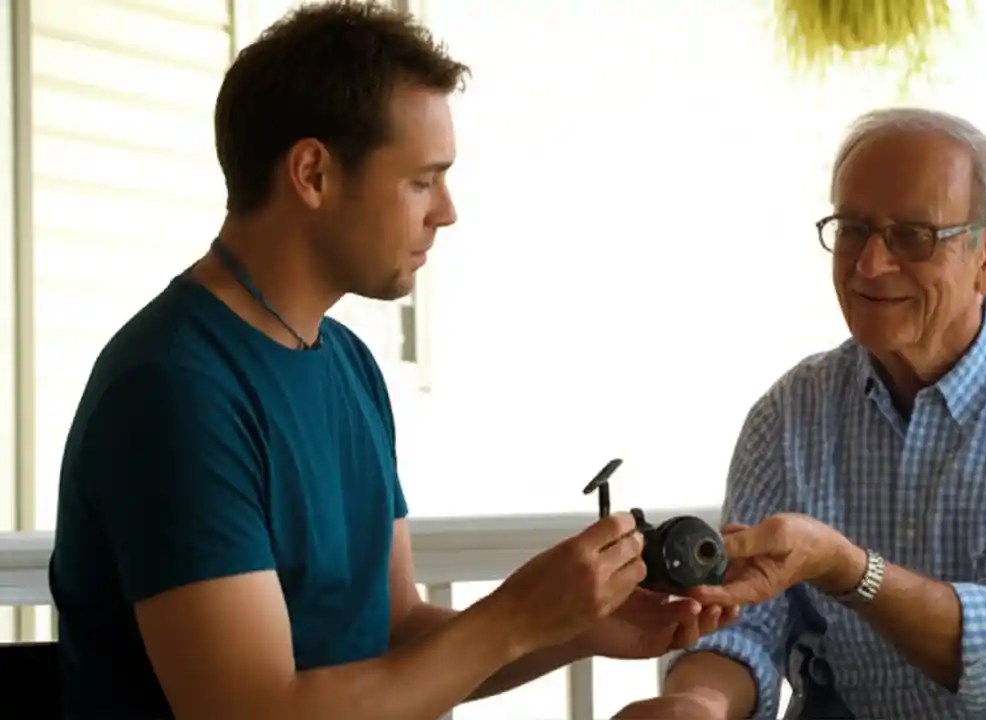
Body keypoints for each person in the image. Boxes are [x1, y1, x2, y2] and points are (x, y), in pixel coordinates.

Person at [45, 3, 734, 718]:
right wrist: (517, 616)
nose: (447, 210)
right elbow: (250, 710)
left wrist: (578, 628)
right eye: (421, 180)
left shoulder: (344, 364)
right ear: (313, 173)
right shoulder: (175, 393)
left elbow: (396, 634)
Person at [615, 108, 986, 719]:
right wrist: (698, 704)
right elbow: (741, 623)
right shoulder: (792, 412)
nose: (870, 265)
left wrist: (849, 569)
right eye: (853, 229)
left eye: (912, 236)